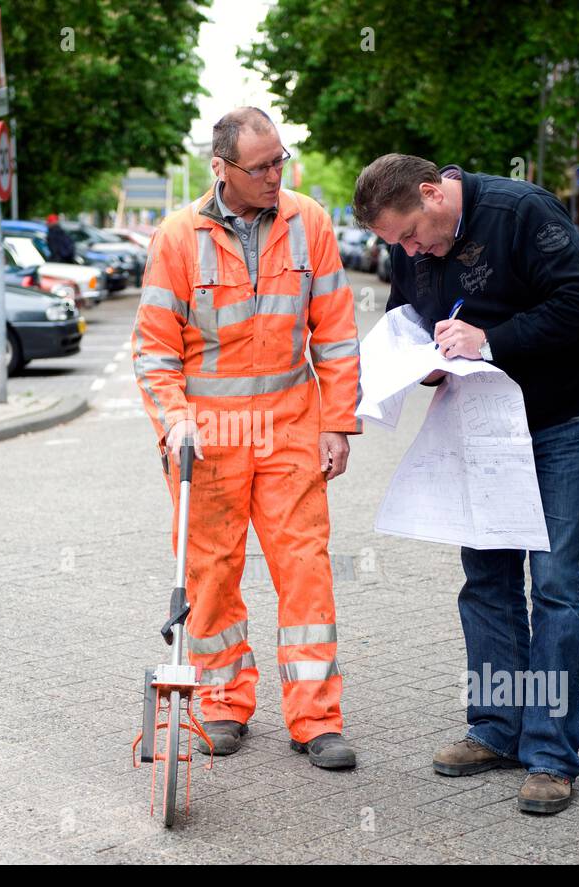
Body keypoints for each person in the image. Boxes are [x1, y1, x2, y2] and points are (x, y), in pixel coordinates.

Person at [353, 153, 579, 813]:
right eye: (397, 245)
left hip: (560, 421)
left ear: (434, 192)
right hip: (483, 425)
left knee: (555, 586)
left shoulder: (521, 211)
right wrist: (424, 361)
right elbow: (407, 312)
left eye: (412, 235)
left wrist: (488, 341)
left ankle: (550, 754)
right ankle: (497, 728)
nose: (411, 251)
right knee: (488, 578)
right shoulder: (414, 244)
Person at [133, 107, 362, 769]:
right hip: (208, 439)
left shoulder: (309, 221)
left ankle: (316, 718)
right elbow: (153, 349)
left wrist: (339, 422)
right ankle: (223, 703)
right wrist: (172, 420)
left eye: (280, 160)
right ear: (222, 168)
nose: (274, 174)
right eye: (260, 166)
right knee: (211, 578)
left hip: (291, 427)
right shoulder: (177, 237)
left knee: (306, 573)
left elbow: (338, 331)